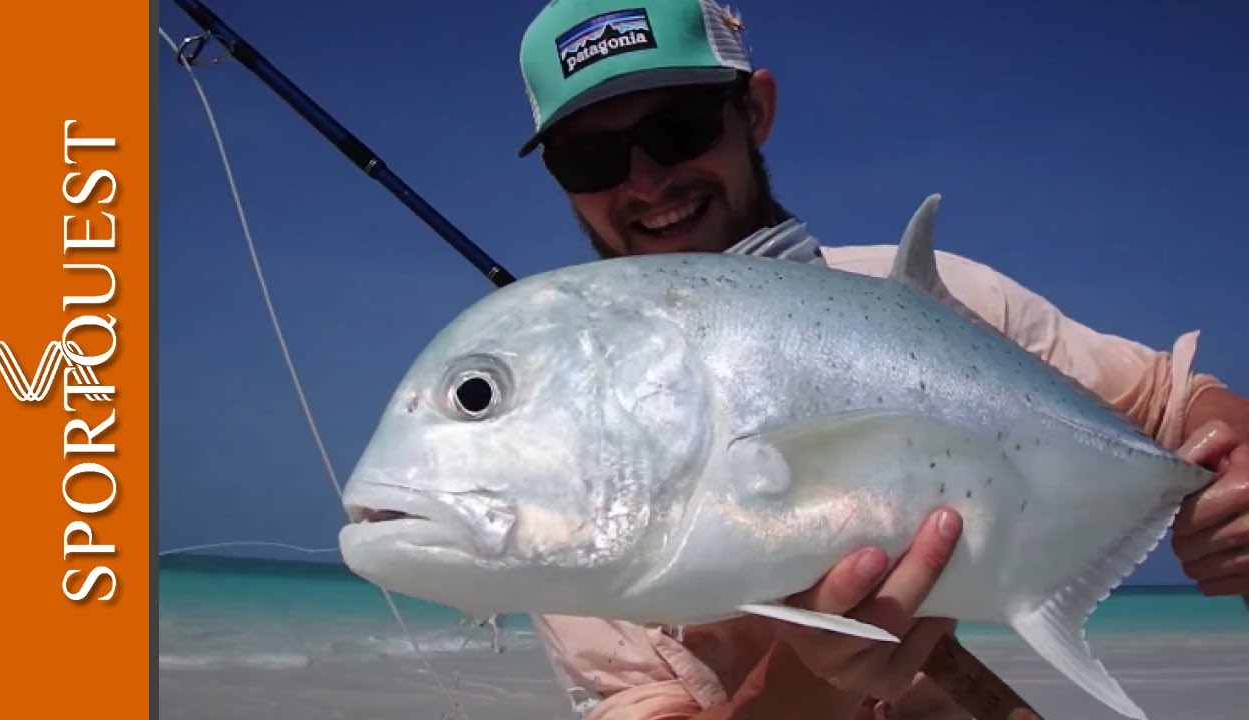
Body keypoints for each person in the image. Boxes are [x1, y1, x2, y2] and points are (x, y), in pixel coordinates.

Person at [513, 1, 1249, 718]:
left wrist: (1231, 471)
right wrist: (813, 679)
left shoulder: (942, 301)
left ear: (754, 111)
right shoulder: (573, 477)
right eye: (591, 158)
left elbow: (1178, 401)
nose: (644, 182)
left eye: (679, 128)